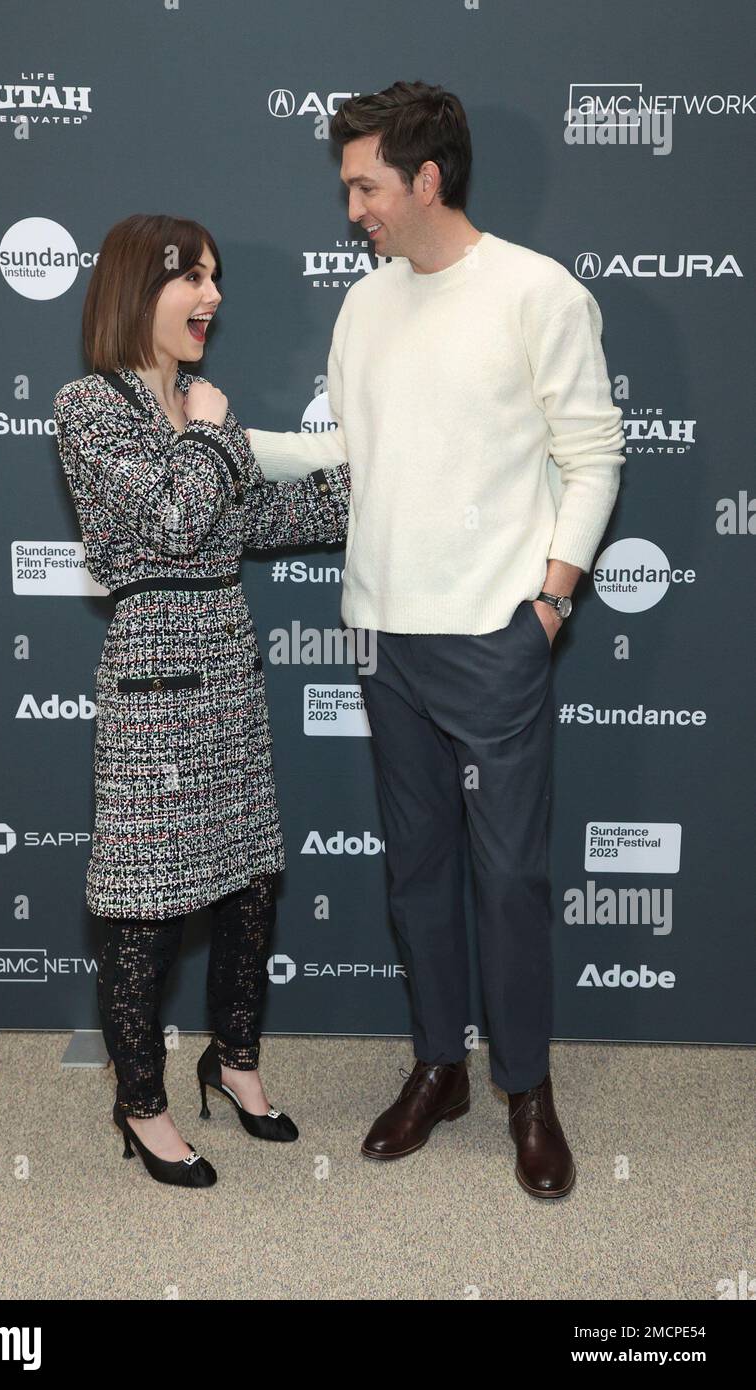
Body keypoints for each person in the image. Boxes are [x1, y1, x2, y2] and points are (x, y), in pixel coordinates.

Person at [246, 81, 625, 1198]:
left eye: (364, 186)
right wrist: (218, 441)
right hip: (381, 633)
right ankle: (437, 1067)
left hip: (493, 636)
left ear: (426, 179)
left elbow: (591, 457)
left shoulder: (534, 293)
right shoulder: (366, 305)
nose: (351, 207)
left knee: (507, 880)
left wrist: (548, 603)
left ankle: (527, 1088)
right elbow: (345, 453)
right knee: (416, 878)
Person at [52, 213, 349, 1188]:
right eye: (193, 277)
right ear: (138, 286)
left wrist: (383, 474)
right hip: (152, 678)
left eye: (218, 276)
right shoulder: (89, 407)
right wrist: (215, 432)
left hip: (227, 668)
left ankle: (236, 1062)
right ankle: (140, 1103)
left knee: (249, 886)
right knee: (142, 908)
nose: (212, 296)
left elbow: (269, 514)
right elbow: (178, 520)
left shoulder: (192, 405)